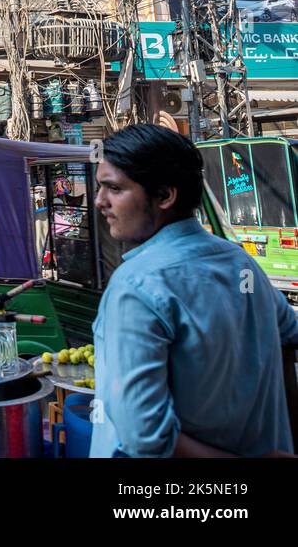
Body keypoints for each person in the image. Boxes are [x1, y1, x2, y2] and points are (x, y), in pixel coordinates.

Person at [90, 124, 298, 458]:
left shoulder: (136, 287)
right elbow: (290, 335)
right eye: (101, 187)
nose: (100, 201)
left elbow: (145, 437)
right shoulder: (240, 263)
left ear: (164, 196)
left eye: (114, 188)